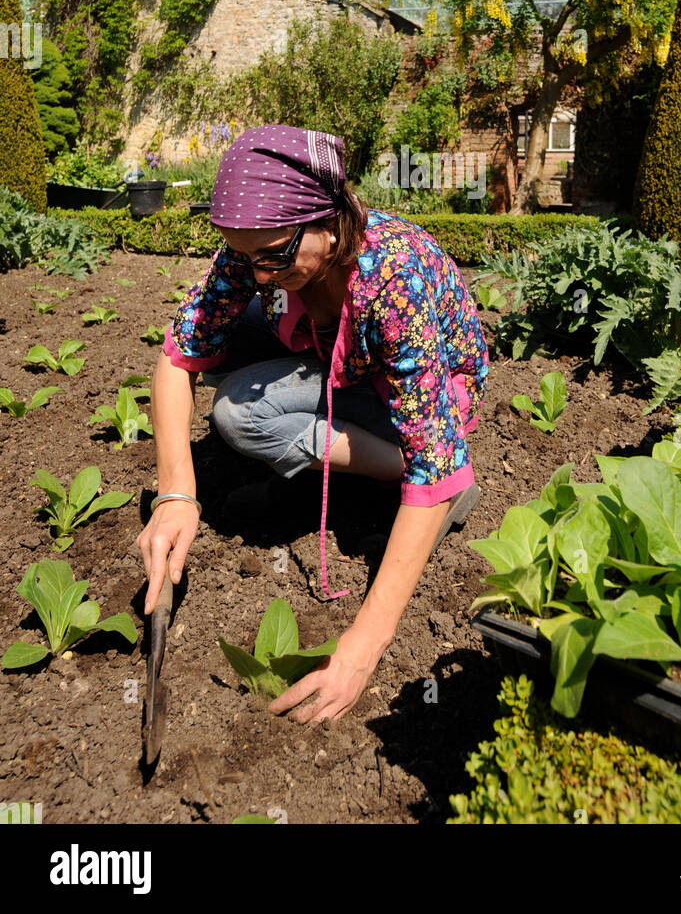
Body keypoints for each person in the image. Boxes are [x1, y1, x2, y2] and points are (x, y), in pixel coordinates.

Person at [137, 124, 488, 725]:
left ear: (328, 219)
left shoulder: (392, 278)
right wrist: (176, 494)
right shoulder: (262, 255)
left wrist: (360, 648)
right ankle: (328, 459)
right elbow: (177, 354)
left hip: (412, 395)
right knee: (233, 328)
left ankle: (400, 467)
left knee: (238, 410)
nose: (261, 273)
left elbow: (436, 461)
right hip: (336, 353)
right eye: (247, 256)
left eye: (272, 255)